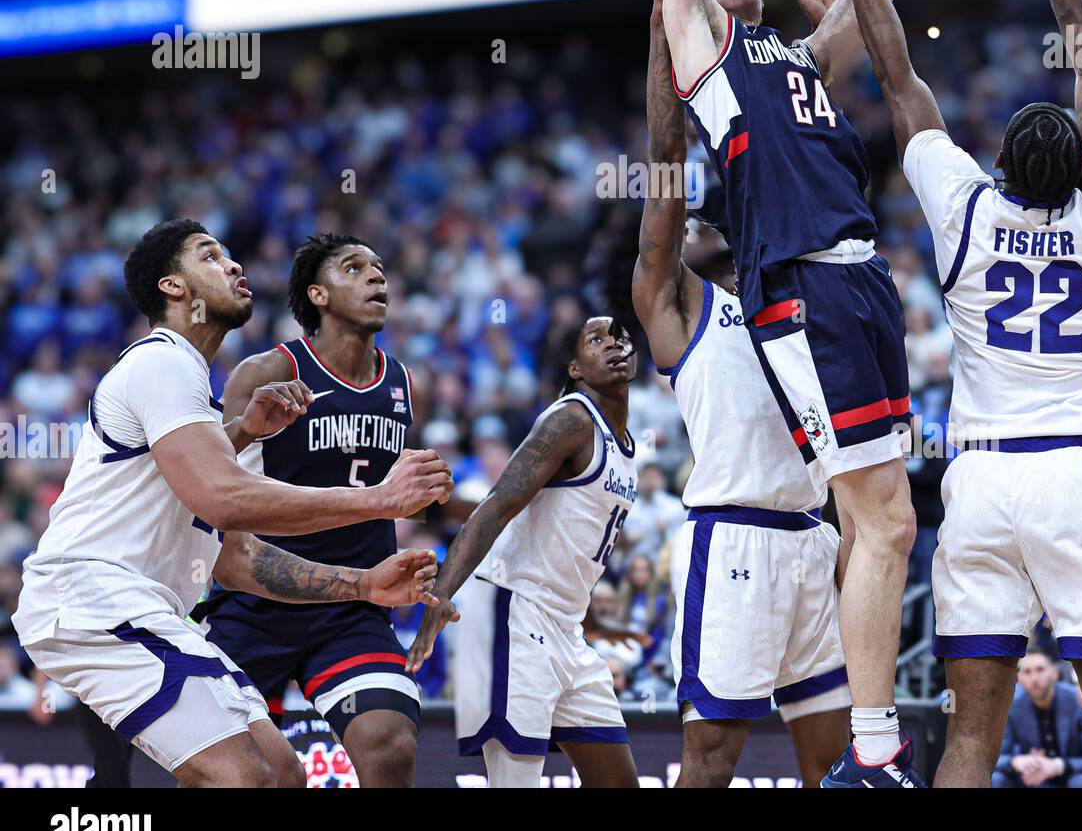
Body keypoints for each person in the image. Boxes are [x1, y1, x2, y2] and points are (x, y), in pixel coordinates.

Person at [802, 0, 1082, 788]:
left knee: (969, 737)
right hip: (1079, 470)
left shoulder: (963, 210)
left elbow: (894, 67)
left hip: (984, 481)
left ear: (996, 162)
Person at [661, 0, 921, 788]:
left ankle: (867, 744)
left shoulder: (802, 52)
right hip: (798, 293)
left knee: (884, 515)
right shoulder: (702, 53)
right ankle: (873, 752)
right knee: (884, 519)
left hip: (862, 281)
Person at [12, 220, 452, 787]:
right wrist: (379, 499)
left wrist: (362, 585)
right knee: (246, 777)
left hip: (147, 608)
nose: (235, 265)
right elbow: (224, 499)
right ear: (174, 288)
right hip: (97, 599)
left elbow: (238, 559)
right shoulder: (161, 361)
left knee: (281, 773)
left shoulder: (196, 393)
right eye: (210, 256)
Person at [632, 0, 850, 788]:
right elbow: (662, 153)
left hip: (812, 538)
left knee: (833, 763)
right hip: (734, 540)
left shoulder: (795, 271)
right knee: (712, 758)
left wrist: (850, 6)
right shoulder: (680, 299)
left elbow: (812, 126)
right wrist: (664, 14)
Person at [198, 233, 441, 787]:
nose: (377, 277)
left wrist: (445, 494)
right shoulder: (265, 372)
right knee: (244, 772)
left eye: (380, 268)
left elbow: (414, 501)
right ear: (319, 295)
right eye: (354, 268)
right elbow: (214, 480)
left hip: (353, 605)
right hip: (255, 601)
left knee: (389, 741)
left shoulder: (407, 383)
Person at [405, 317, 641, 789]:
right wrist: (441, 597)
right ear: (575, 367)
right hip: (511, 612)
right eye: (596, 339)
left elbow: (569, 546)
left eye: (620, 337)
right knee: (515, 781)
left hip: (566, 628)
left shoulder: (628, 446)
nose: (613, 343)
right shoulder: (569, 420)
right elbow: (496, 507)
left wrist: (593, 622)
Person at [992, 649, 1082, 788]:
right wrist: (1015, 762)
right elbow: (997, 758)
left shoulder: (1077, 702)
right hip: (1031, 776)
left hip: (1069, 774)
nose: (1034, 678)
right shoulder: (1013, 706)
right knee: (997, 779)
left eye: (1040, 669)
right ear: (1018, 678)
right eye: (1027, 672)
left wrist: (1058, 766)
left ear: (1054, 673)